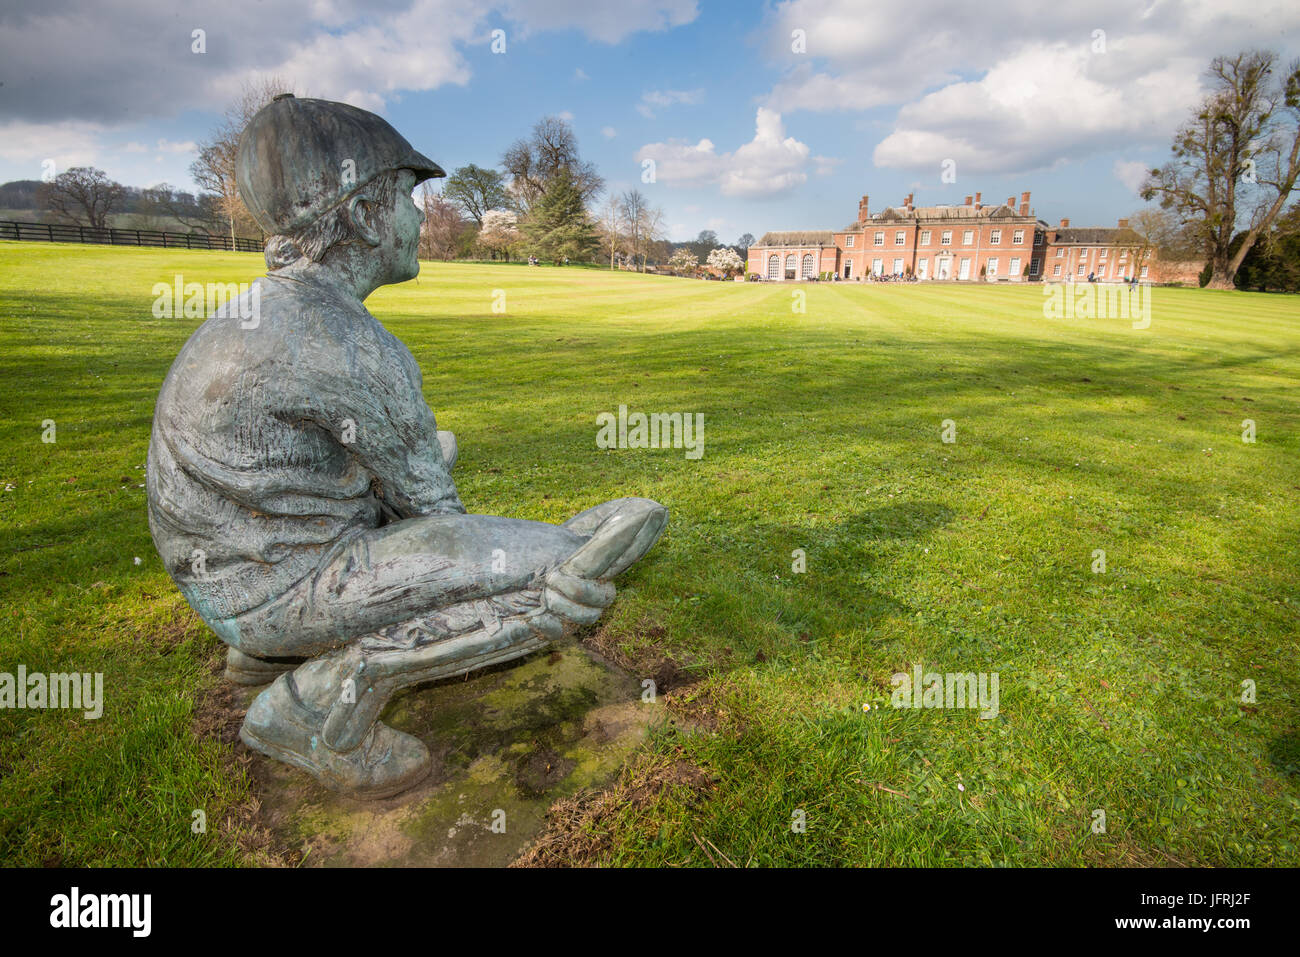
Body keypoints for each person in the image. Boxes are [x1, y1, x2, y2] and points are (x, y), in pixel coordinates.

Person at [146, 96, 667, 798]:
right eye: (407, 196)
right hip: (282, 585)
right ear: (363, 215)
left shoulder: (263, 308)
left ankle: (260, 654)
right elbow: (438, 518)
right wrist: (526, 559)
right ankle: (314, 705)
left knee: (441, 449)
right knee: (572, 561)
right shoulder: (350, 343)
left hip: (223, 576)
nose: (421, 216)